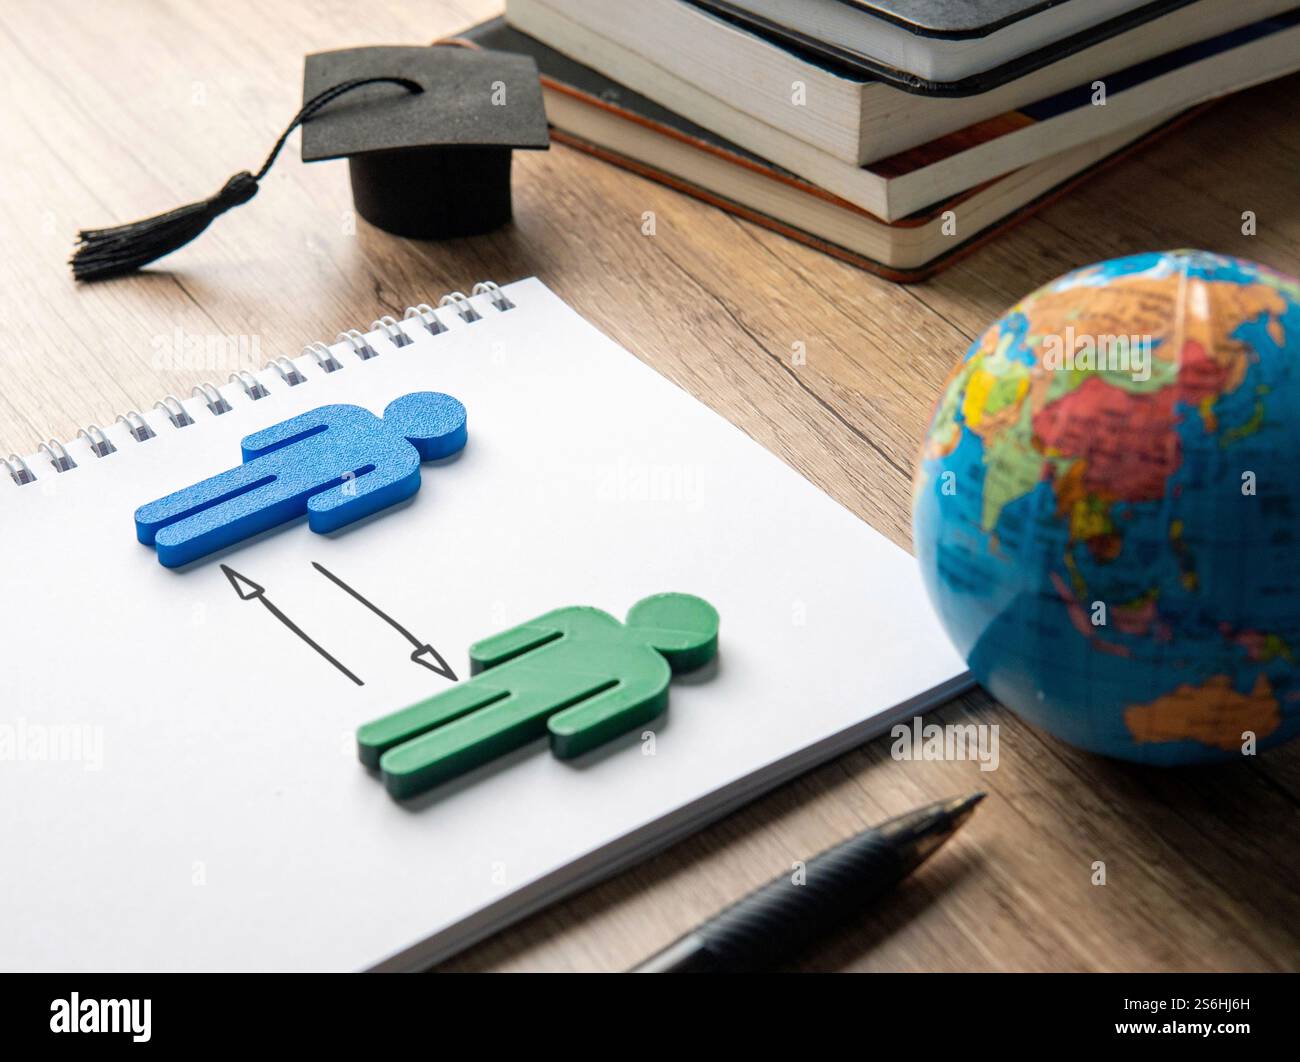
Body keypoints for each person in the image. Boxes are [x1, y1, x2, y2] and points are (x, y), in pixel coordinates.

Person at [359, 593, 720, 798]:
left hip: (513, 683)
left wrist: (490, 654)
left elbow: (497, 647)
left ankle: (386, 739)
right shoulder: (651, 672)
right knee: (475, 729)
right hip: (532, 704)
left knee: (450, 710)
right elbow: (582, 721)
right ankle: (403, 760)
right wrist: (564, 727)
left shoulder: (592, 620)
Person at [135, 391, 466, 568]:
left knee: (220, 492)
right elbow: (345, 498)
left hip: (281, 468)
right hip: (296, 484)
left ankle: (158, 521)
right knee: (241, 505)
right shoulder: (402, 459)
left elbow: (268, 438)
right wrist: (321, 507)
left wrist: (259, 446)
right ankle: (171, 533)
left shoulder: (351, 414)